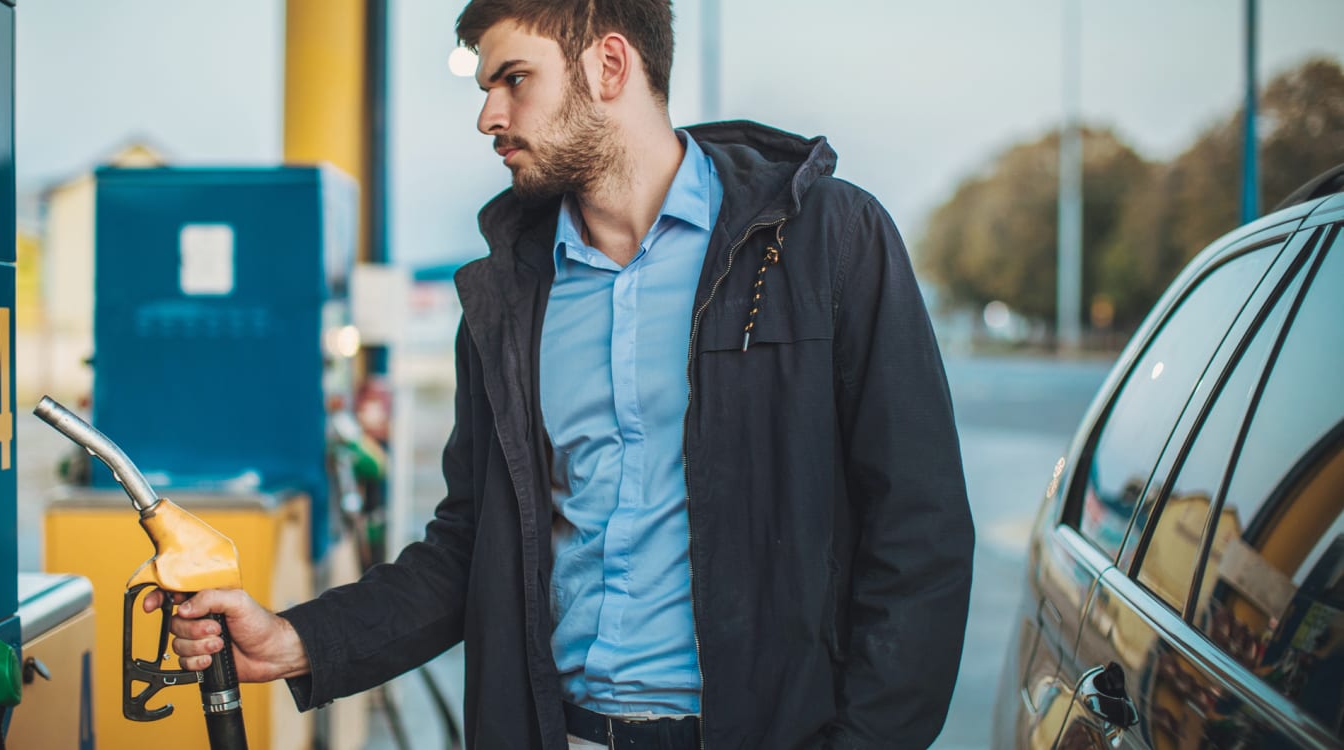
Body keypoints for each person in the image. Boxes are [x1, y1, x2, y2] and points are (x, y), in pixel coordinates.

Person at [154, 1, 974, 747]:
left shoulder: (823, 239)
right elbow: (470, 546)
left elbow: (919, 532)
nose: (489, 116)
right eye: (485, 87)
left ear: (609, 66)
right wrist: (298, 640)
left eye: (515, 79)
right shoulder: (507, 298)